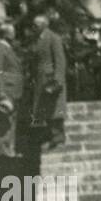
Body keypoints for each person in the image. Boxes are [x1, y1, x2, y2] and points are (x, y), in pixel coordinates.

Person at [31, 13, 67, 150]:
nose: (33, 28)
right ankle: (52, 136)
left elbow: (60, 61)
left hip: (51, 80)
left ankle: (58, 137)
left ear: (43, 25)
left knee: (55, 109)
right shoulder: (38, 39)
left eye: (35, 25)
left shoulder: (53, 38)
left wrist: (57, 81)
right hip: (41, 80)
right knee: (46, 110)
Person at [0, 20, 24, 160]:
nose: (14, 33)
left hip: (13, 89)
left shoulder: (7, 47)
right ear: (5, 33)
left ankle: (9, 149)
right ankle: (2, 150)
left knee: (11, 120)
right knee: (4, 120)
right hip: (7, 89)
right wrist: (1, 91)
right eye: (12, 31)